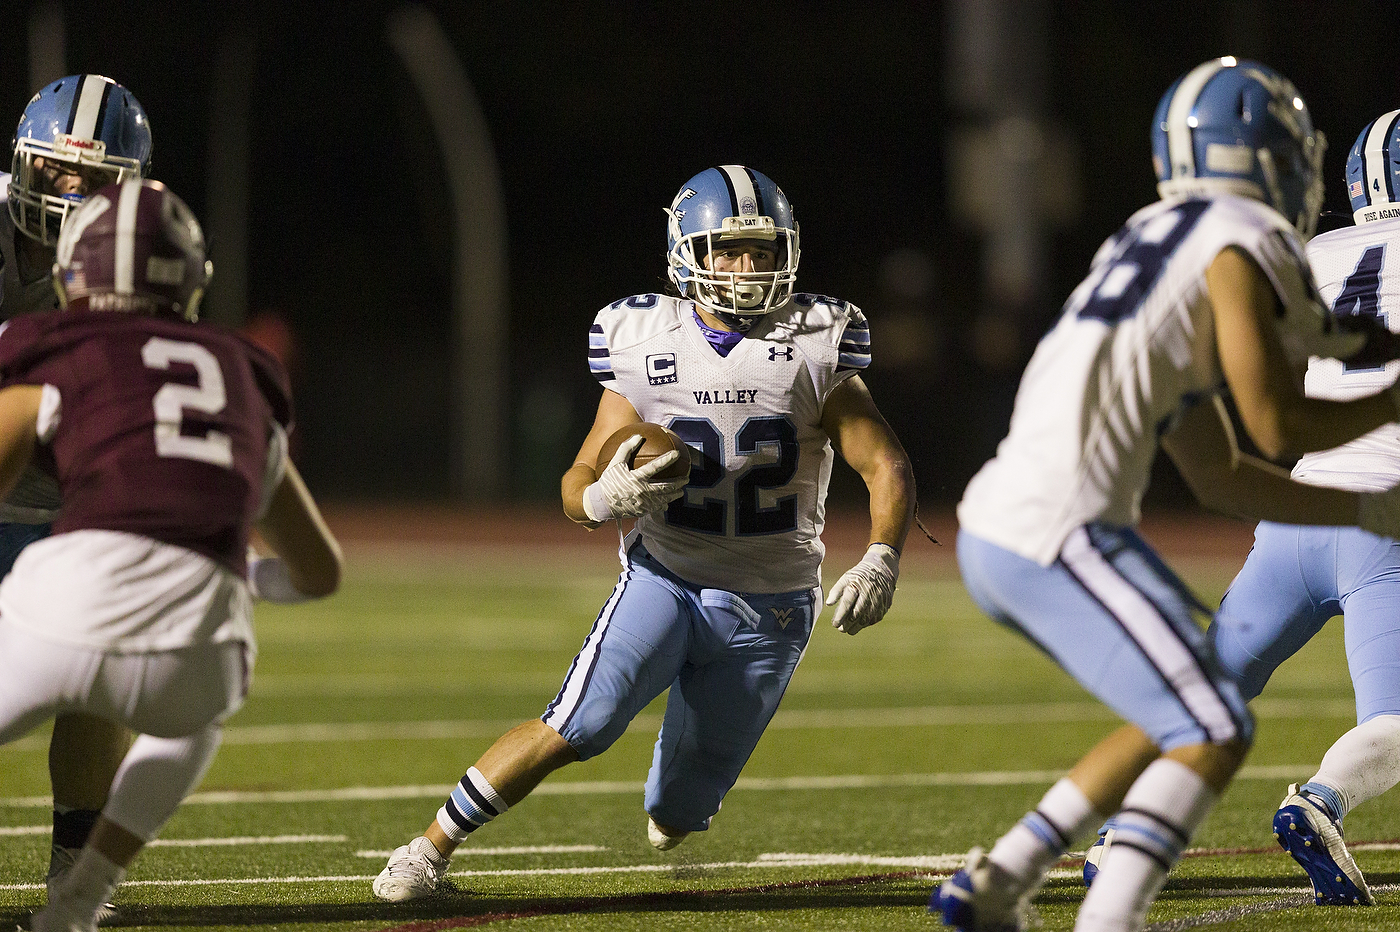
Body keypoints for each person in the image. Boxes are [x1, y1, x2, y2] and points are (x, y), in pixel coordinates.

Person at [933, 58, 1400, 932]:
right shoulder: (1245, 239)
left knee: (1192, 700)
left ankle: (1001, 877)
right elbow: (1278, 426)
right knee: (1215, 721)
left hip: (1005, 523)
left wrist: (1364, 509)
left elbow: (1224, 471)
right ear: (1264, 157)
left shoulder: (1151, 238)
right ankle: (1107, 918)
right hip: (1061, 532)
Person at [373, 164, 915, 902]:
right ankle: (424, 851)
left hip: (773, 604)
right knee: (579, 722)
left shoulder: (817, 337)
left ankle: (676, 792)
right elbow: (575, 481)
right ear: (687, 250)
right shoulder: (640, 334)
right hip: (666, 576)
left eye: (760, 249)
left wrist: (882, 555)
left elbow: (884, 462)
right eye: (727, 249)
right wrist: (602, 496)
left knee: (681, 809)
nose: (746, 266)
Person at [0, 178, 342, 932]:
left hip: (61, 607)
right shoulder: (246, 373)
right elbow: (322, 572)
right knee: (195, 719)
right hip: (198, 646)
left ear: (72, 271)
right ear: (191, 281)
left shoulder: (51, 343)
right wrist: (250, 577)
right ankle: (80, 898)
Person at [1195, 109, 1400, 907]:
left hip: (1293, 517)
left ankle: (1121, 841)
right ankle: (1320, 801)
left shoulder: (1319, 251)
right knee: (1395, 720)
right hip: (1380, 525)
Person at [1, 74, 155, 907]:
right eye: (58, 171)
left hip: (62, 497)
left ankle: (77, 862)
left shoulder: (138, 254)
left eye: (96, 180)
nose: (73, 193)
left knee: (102, 667)